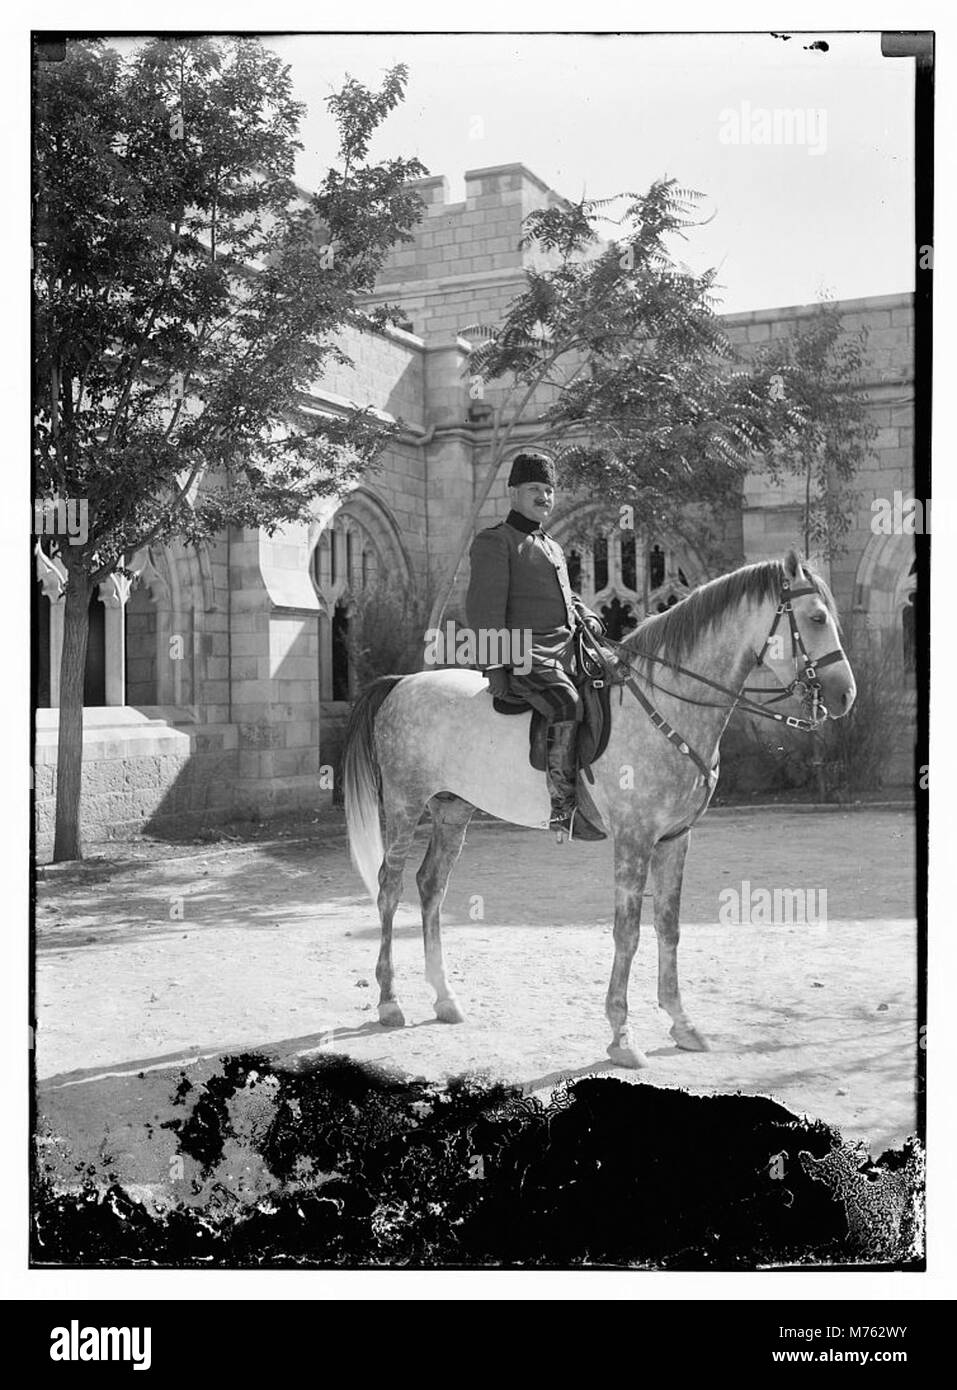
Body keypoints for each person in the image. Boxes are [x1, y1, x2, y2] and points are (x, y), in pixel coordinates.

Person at [465, 452, 606, 841]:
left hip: (564, 647)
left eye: (548, 490)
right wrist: (494, 668)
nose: (544, 496)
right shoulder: (495, 542)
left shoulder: (553, 546)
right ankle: (563, 807)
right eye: (534, 489)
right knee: (565, 701)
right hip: (522, 653)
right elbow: (483, 609)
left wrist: (586, 614)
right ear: (513, 493)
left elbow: (564, 597)